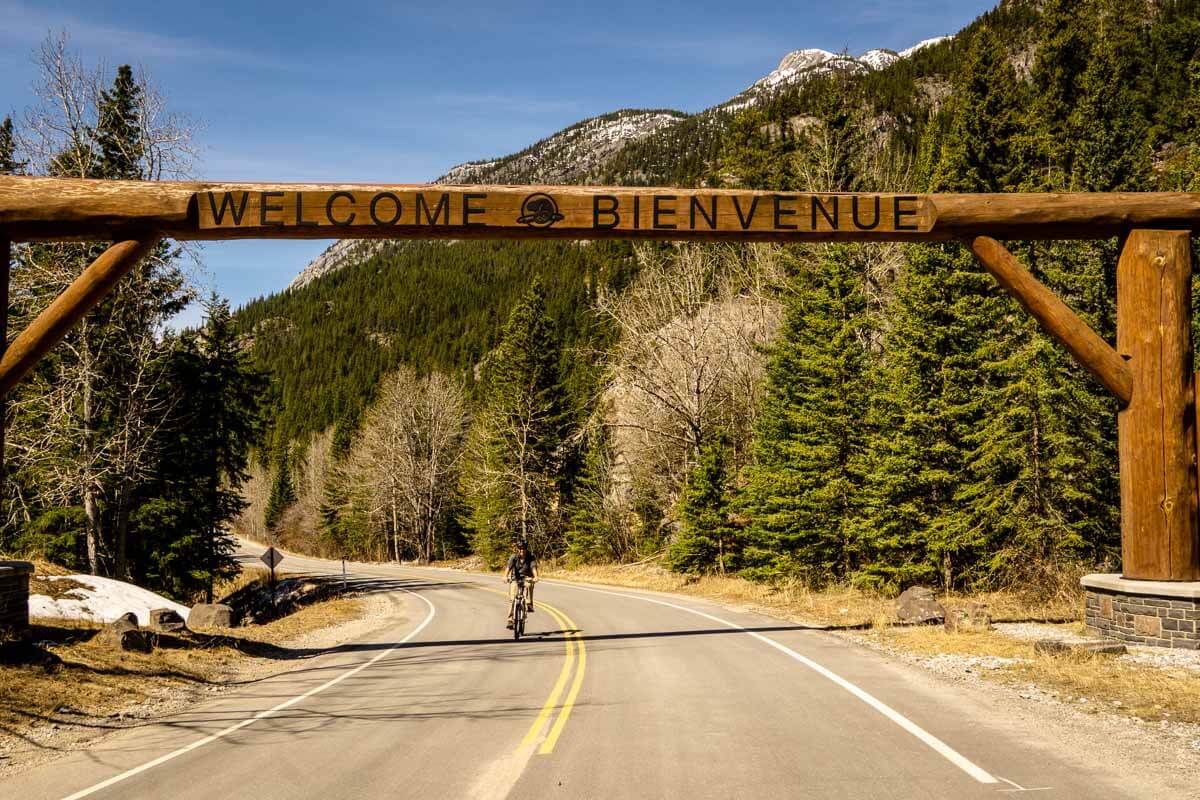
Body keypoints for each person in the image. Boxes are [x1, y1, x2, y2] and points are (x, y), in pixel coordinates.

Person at [505, 540, 538, 628]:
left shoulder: (531, 557)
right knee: (512, 598)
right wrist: (505, 576)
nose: (522, 550)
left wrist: (536, 577)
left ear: (526, 549)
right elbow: (508, 567)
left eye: (523, 549)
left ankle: (529, 604)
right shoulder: (514, 557)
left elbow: (533, 568)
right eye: (520, 549)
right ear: (517, 549)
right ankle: (510, 620)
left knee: (529, 584)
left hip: (527, 577)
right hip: (515, 578)